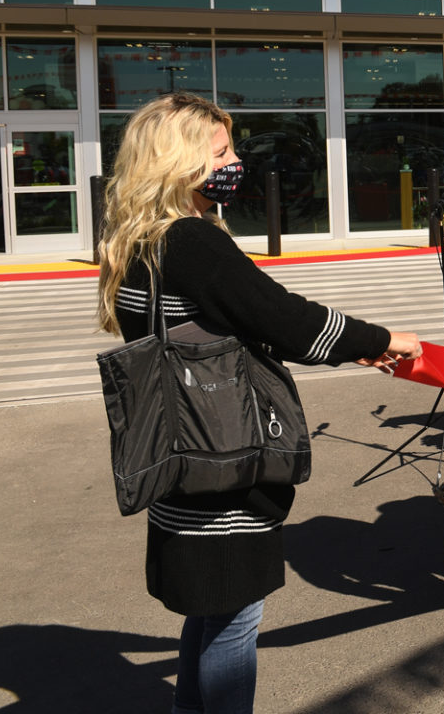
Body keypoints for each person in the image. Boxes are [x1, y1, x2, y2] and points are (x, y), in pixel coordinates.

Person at [96, 93, 421, 713]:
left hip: (177, 450)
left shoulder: (137, 239)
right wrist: (381, 340)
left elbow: (240, 321)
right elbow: (281, 317)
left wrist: (350, 350)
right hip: (221, 457)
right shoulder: (190, 241)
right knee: (233, 617)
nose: (234, 163)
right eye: (220, 153)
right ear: (177, 162)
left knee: (210, 611)